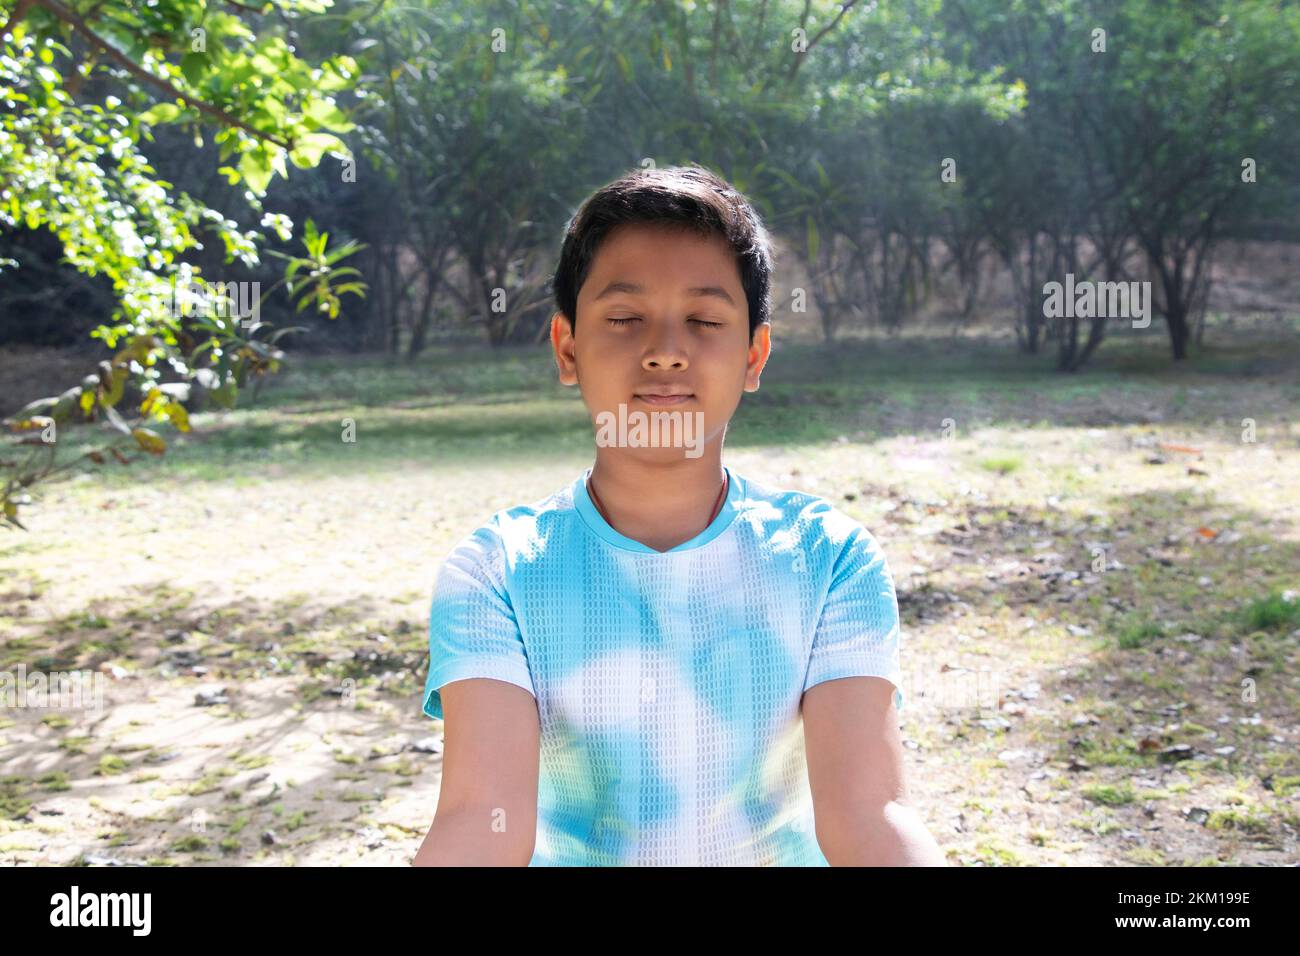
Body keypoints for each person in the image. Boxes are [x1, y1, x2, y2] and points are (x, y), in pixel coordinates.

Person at [412, 164, 945, 866]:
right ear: (567, 348)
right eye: (626, 318)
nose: (665, 351)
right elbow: (482, 820)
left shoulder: (830, 559)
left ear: (753, 353)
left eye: (704, 320)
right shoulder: (495, 572)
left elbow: (868, 816)